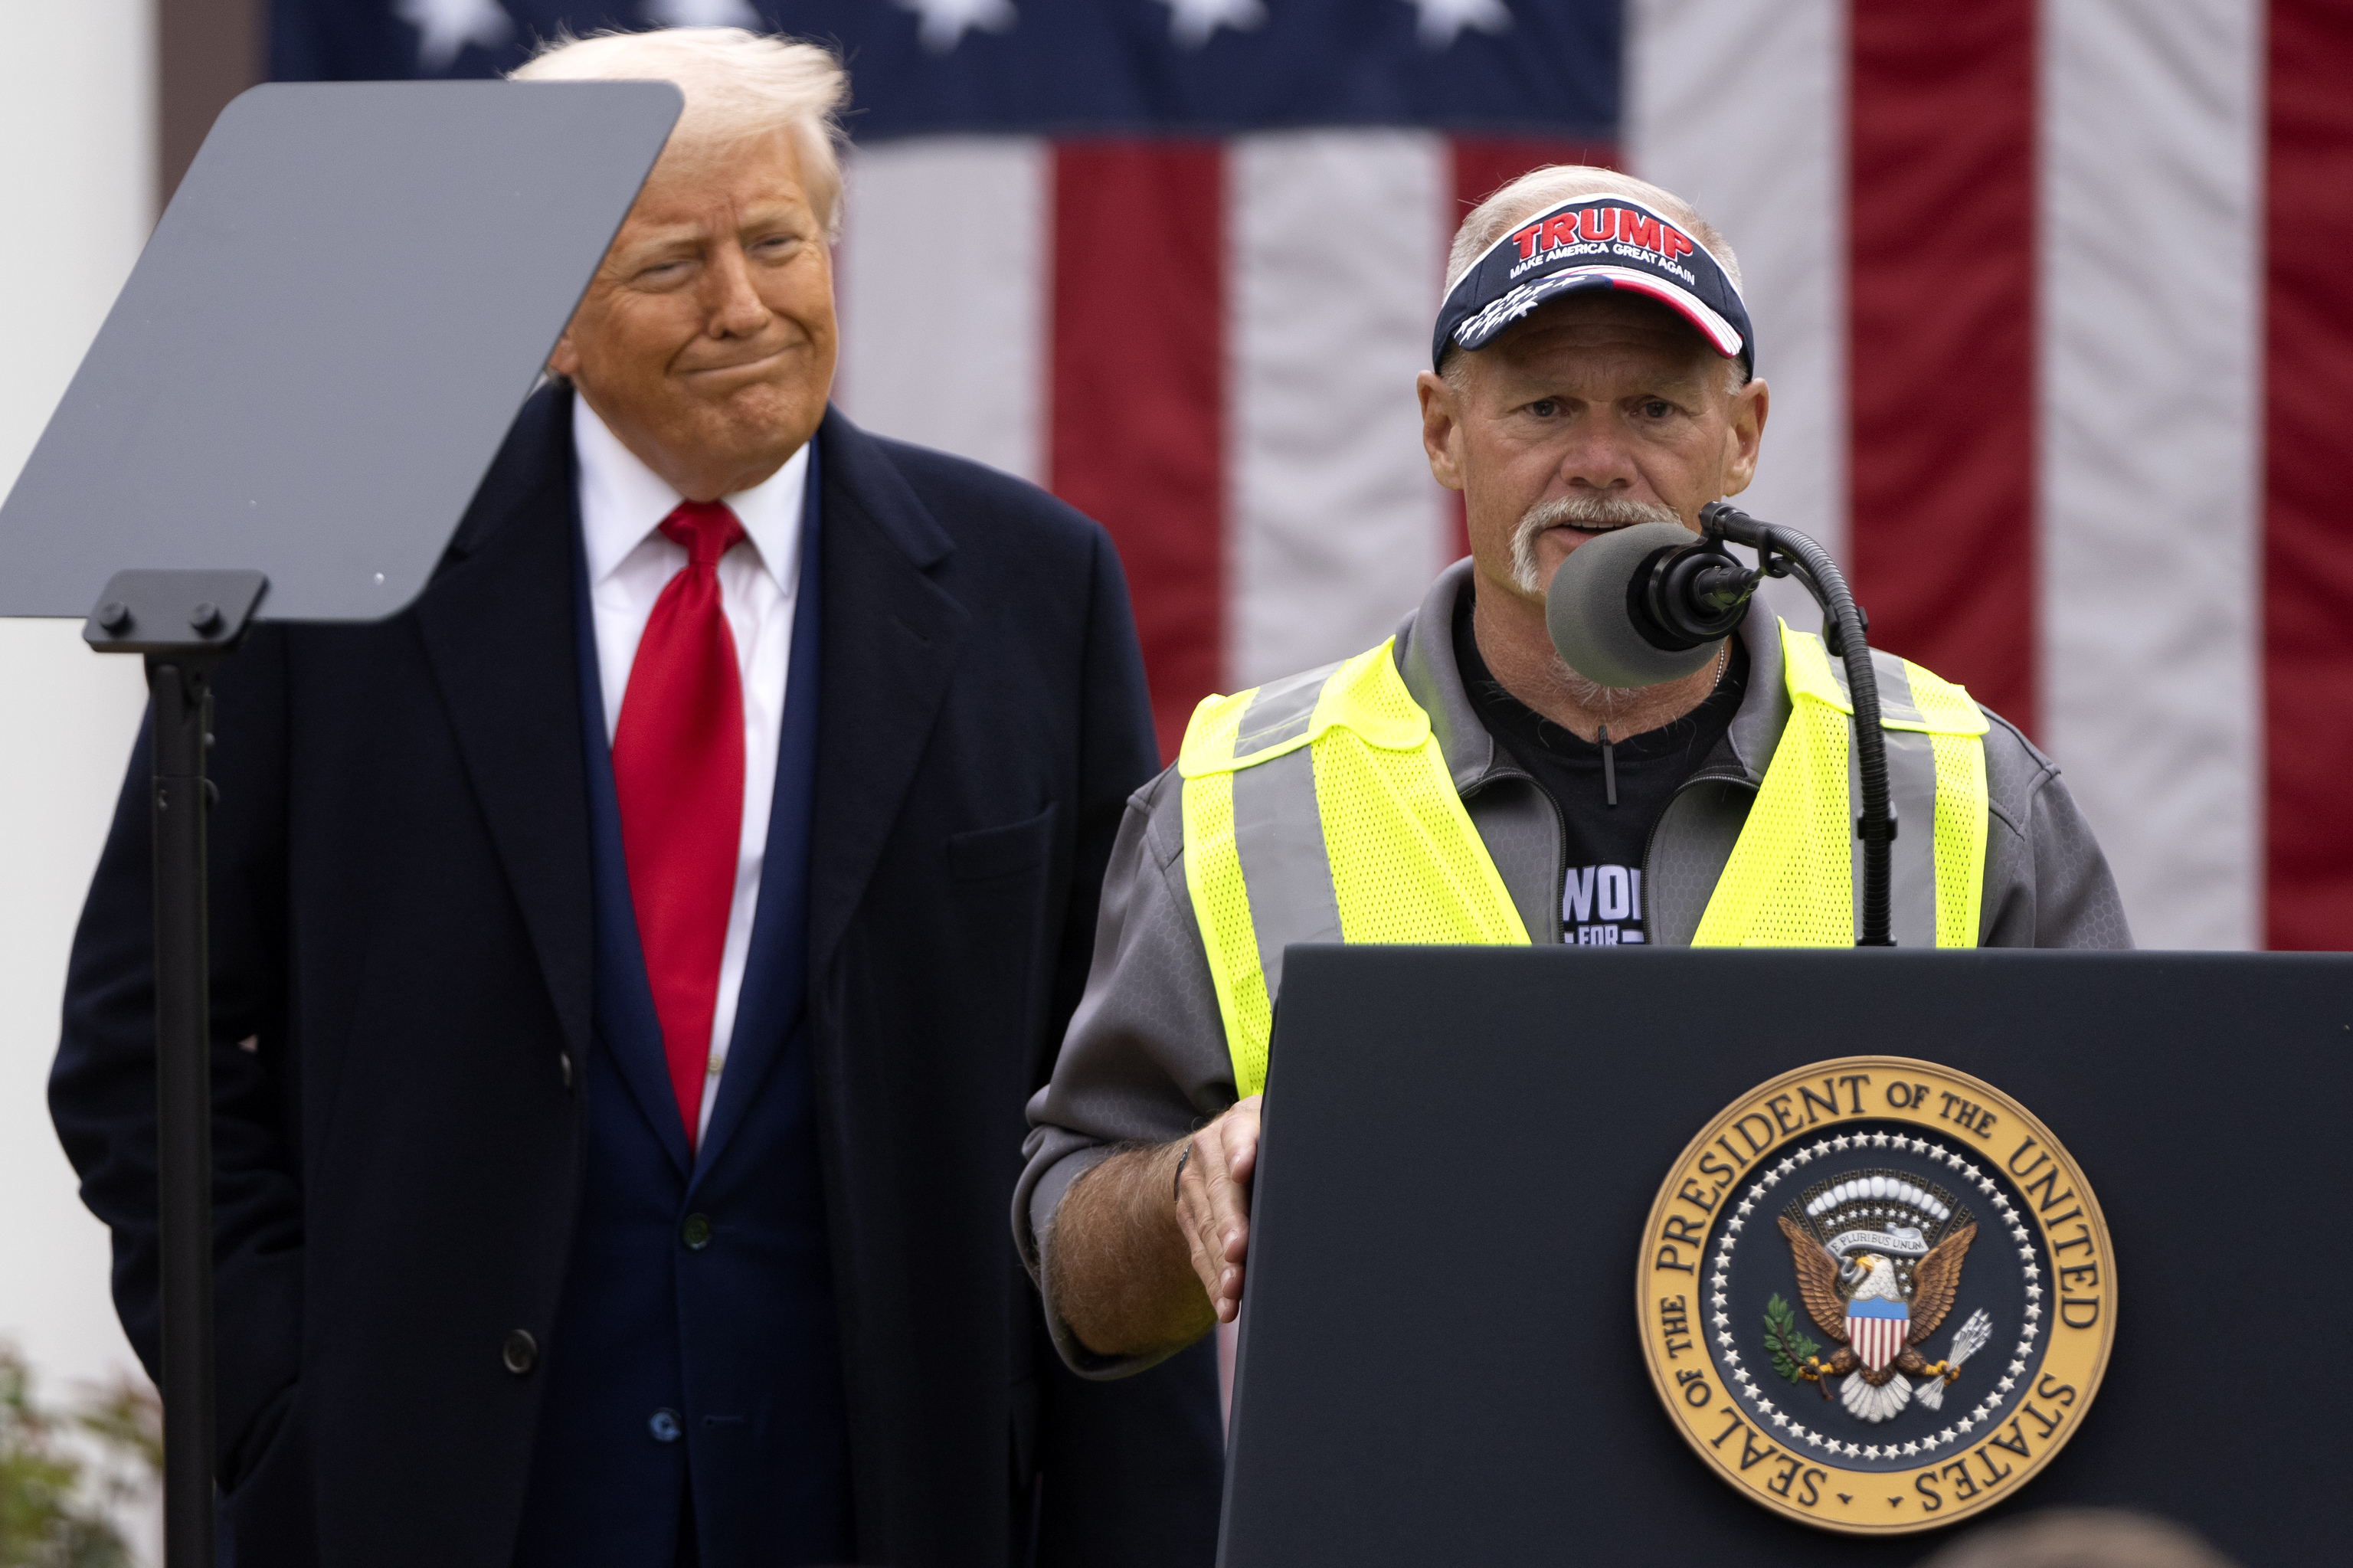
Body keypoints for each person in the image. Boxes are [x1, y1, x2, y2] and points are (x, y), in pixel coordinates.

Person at [50, 27, 1219, 1568]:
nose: (743, 306)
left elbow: (1132, 1090)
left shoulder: (1033, 586)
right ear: (546, 319)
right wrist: (281, 1399)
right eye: (671, 263)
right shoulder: (327, 596)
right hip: (438, 1510)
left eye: (778, 242)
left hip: (900, 1503)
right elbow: (145, 1049)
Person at [1016, 165, 2132, 1373]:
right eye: (1544, 407)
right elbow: (1078, 1276)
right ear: (1442, 431)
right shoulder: (1243, 799)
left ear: (1742, 437)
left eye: (1654, 408)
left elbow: (2133, 1198)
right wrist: (1185, 1191)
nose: (1600, 463)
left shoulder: (1963, 792)